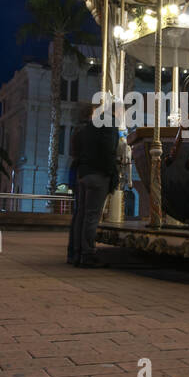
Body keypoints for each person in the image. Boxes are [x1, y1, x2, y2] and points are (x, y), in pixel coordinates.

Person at [66, 101, 119, 268]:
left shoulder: (87, 127)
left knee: (81, 215)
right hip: (98, 174)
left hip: (84, 173)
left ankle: (77, 252)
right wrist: (112, 173)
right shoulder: (108, 124)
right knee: (91, 216)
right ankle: (87, 254)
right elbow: (108, 150)